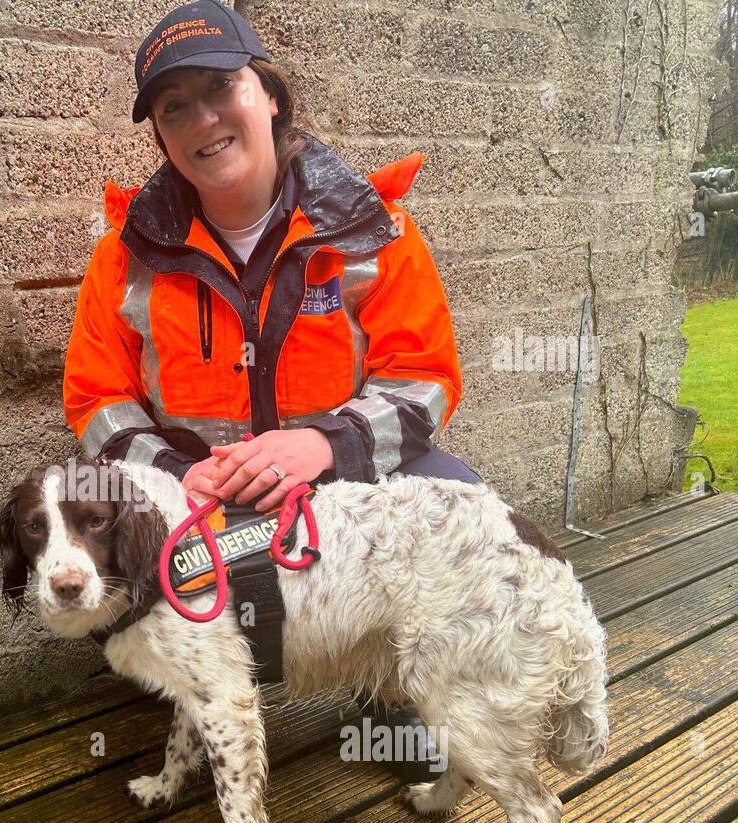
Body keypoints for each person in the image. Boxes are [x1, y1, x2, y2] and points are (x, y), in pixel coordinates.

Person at [62, 0, 475, 779]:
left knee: (452, 494)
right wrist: (174, 474)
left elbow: (423, 379)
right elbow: (96, 399)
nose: (201, 119)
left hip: (336, 491)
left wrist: (326, 445)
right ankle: (190, 685)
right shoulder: (125, 254)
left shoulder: (371, 227)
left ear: (270, 95)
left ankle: (384, 690)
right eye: (173, 106)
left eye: (221, 87)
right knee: (84, 513)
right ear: (159, 132)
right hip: (197, 501)